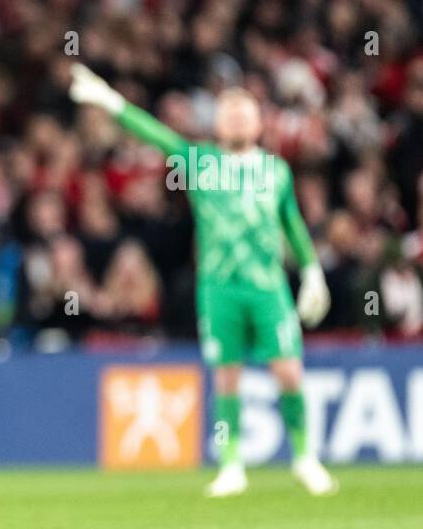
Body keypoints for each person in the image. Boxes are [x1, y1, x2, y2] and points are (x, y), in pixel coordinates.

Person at [68, 64, 336, 497]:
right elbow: (156, 135)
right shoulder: (200, 163)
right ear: (217, 122)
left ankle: (305, 458)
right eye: (227, 113)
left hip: (268, 286)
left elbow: (293, 224)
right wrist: (111, 102)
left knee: (289, 372)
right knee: (226, 378)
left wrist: (310, 270)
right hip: (217, 287)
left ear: (258, 121)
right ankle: (232, 465)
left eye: (243, 113)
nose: (235, 119)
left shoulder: (276, 171)